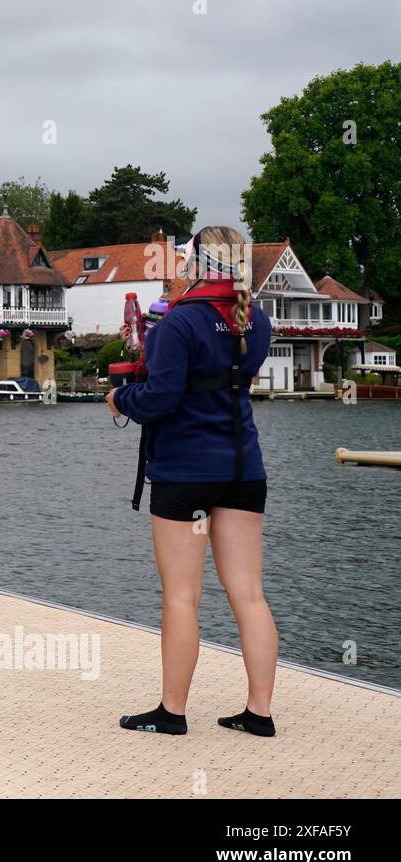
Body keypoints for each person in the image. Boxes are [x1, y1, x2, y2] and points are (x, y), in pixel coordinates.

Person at [107, 226, 278, 738]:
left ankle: (172, 712)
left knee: (182, 596)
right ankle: (259, 713)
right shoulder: (258, 319)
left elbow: (161, 400)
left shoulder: (178, 322)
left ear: (200, 264)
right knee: (250, 595)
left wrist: (121, 399)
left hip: (185, 473)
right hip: (243, 469)